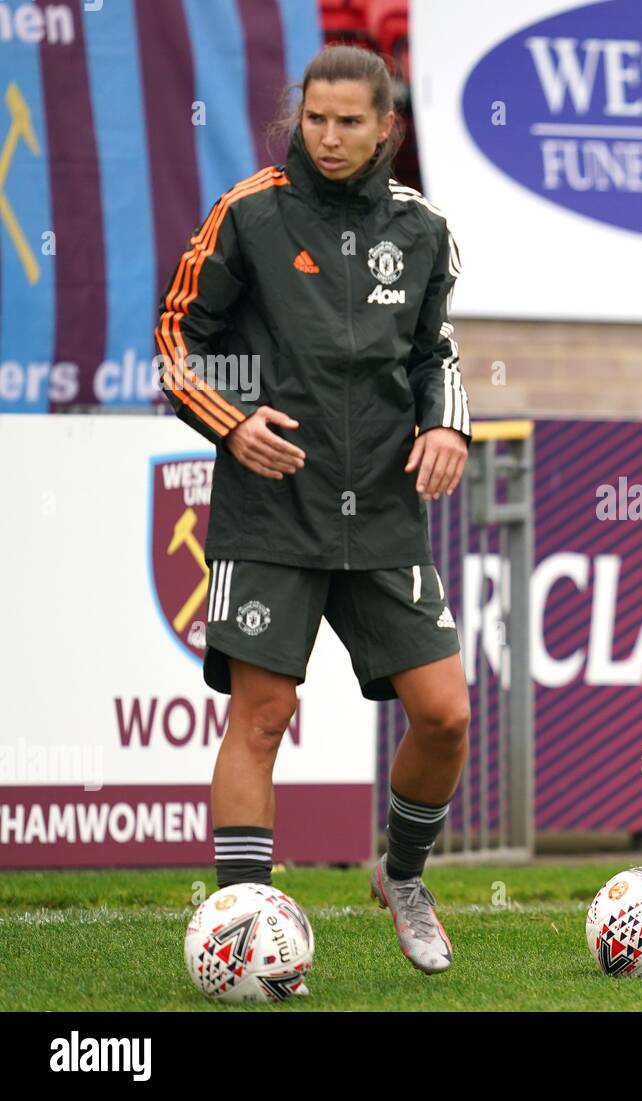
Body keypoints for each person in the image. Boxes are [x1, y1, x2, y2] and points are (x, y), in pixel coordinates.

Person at [155, 45, 472, 976]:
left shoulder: (423, 229)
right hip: (272, 506)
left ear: (386, 129)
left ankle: (402, 874)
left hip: (382, 508)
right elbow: (179, 335)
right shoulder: (248, 212)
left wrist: (446, 427)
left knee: (446, 714)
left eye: (349, 122)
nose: (328, 137)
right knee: (262, 716)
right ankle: (238, 928)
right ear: (300, 118)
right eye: (316, 119)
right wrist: (233, 421)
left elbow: (435, 353)